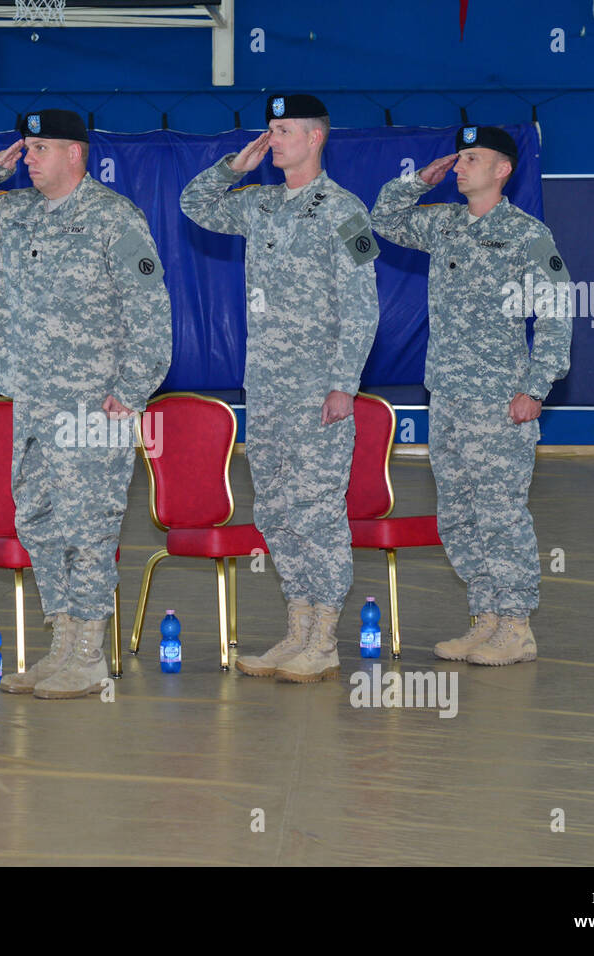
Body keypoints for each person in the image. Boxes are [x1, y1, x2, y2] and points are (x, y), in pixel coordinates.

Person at [0, 108, 173, 698]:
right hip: (33, 401)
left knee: (87, 525)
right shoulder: (16, 216)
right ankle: (62, 643)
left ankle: (90, 652)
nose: (30, 157)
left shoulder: (114, 219)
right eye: (25, 147)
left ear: (76, 154)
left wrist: (133, 390)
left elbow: (151, 312)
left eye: (41, 147)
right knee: (39, 520)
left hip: (95, 405)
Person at [180, 94, 380, 682]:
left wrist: (344, 384)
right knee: (276, 510)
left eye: (285, 130)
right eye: (270, 129)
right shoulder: (260, 206)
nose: (275, 139)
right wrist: (232, 169)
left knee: (317, 510)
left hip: (319, 390)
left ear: (317, 137)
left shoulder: (345, 211)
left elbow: (362, 308)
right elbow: (194, 204)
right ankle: (297, 627)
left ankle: (324, 637)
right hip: (266, 391)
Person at [370, 124, 573, 665]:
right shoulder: (444, 225)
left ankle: (517, 625)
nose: (459, 167)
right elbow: (382, 222)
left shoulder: (527, 235)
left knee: (499, 512)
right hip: (450, 395)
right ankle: (485, 618)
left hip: (500, 399)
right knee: (457, 515)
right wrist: (416, 182)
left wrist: (535, 387)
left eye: (472, 159)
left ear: (503, 169)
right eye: (458, 158)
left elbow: (555, 312)